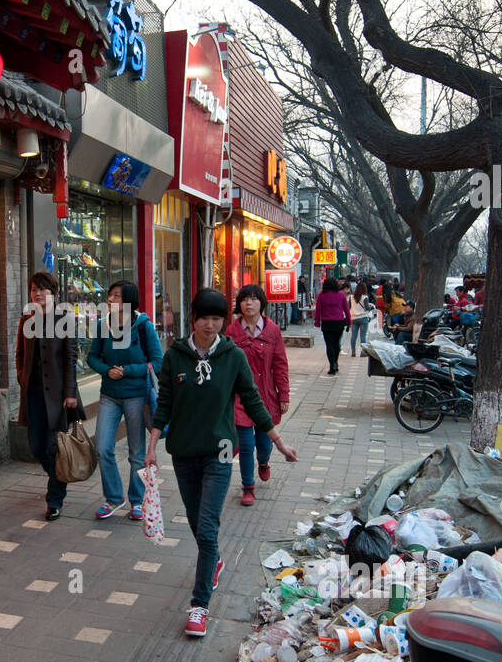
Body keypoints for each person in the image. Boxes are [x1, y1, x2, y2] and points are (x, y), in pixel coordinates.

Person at [145, 289, 298, 638]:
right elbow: (164, 404)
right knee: (199, 525)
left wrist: (279, 442)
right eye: (204, 317)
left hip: (220, 452)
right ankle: (213, 560)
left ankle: (199, 606)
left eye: (217, 318)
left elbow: (254, 402)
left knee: (209, 527)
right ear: (193, 317)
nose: (210, 324)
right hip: (183, 453)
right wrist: (152, 445)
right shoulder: (175, 357)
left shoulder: (232, 356)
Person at [87, 281, 163, 520]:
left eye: (117, 296)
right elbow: (92, 358)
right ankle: (114, 498)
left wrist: (128, 370)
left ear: (129, 300)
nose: (111, 300)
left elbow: (157, 361)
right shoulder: (103, 325)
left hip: (136, 395)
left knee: (136, 452)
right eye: (110, 296)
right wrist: (106, 370)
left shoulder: (143, 326)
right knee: (102, 447)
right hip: (109, 394)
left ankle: (137, 501)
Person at [15, 271, 80, 519]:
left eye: (43, 289)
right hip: (32, 393)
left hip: (57, 395)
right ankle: (59, 475)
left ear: (53, 292)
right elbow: (19, 353)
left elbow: (70, 358)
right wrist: (21, 375)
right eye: (34, 289)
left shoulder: (65, 318)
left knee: (54, 447)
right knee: (35, 445)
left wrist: (70, 393)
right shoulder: (25, 320)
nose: (38, 293)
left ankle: (55, 499)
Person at [226, 284, 290, 507]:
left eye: (253, 299)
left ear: (262, 303)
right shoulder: (231, 332)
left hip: (265, 397)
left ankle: (263, 463)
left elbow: (280, 364)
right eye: (244, 299)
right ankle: (248, 487)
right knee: (245, 445)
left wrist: (284, 396)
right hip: (240, 400)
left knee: (264, 444)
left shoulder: (272, 331)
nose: (249, 303)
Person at [313, 276, 351, 374]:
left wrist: (317, 322)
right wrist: (348, 321)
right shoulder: (341, 295)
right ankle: (335, 362)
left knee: (329, 344)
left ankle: (332, 365)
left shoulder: (321, 295)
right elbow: (346, 310)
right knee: (336, 343)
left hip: (327, 323)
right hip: (339, 322)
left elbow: (318, 310)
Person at [348, 282, 374, 357]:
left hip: (353, 318)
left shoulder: (351, 297)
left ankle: (353, 352)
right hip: (363, 318)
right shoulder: (365, 297)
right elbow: (367, 308)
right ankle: (363, 352)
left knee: (353, 336)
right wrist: (371, 307)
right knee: (363, 336)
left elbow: (349, 307)